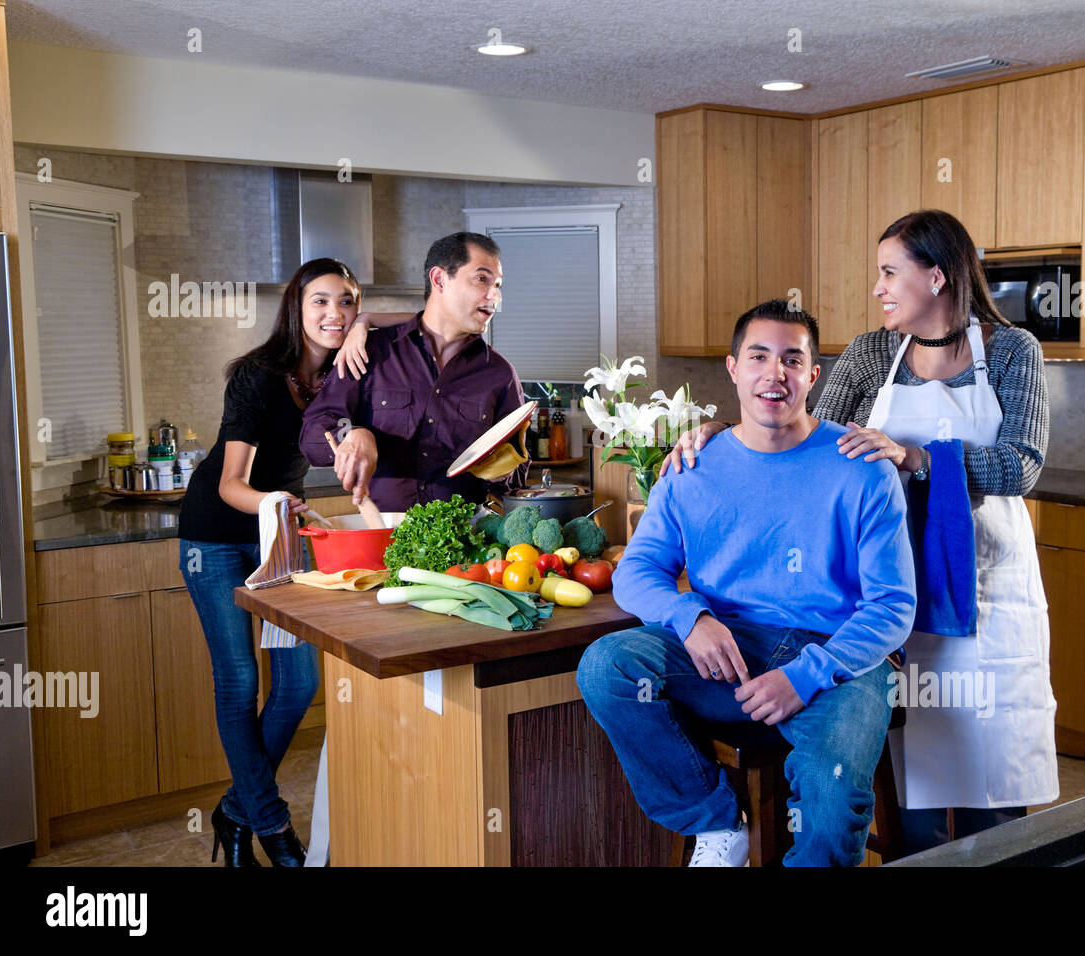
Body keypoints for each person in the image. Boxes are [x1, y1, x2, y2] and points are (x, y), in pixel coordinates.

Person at [663, 209, 1060, 853]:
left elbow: (1023, 464)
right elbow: (797, 432)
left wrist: (915, 457)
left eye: (888, 273)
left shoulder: (1013, 350)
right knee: (911, 774)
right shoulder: (875, 353)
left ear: (935, 277)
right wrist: (718, 434)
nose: (877, 288)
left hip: (986, 587)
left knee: (992, 762)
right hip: (886, 581)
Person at [577, 299, 916, 867]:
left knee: (832, 794)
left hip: (840, 660)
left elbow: (892, 607)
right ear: (734, 369)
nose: (774, 373)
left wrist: (804, 677)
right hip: (729, 652)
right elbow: (636, 571)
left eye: (792, 359)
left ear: (813, 375)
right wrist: (691, 617)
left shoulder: (861, 466)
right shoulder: (694, 465)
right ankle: (714, 823)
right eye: (758, 356)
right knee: (608, 667)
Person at [178, 258, 361, 867]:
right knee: (238, 681)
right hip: (218, 537)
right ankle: (273, 826)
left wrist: (366, 330)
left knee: (300, 683)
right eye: (321, 302)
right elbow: (231, 482)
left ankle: (235, 813)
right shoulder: (257, 377)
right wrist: (283, 505)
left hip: (277, 536)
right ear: (296, 308)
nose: (334, 314)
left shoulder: (344, 374)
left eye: (347, 302)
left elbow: (415, 321)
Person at [300, 231, 528, 510]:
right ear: (439, 279)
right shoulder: (369, 352)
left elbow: (517, 480)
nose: (495, 296)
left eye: (498, 285)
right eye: (482, 279)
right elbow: (312, 433)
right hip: (384, 540)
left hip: (467, 543)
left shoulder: (500, 375)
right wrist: (352, 435)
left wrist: (500, 467)